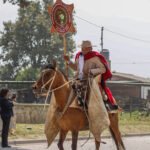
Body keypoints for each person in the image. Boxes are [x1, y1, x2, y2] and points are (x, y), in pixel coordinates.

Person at [64, 40, 119, 111]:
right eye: (82, 48)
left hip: (91, 79)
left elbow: (103, 69)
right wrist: (68, 61)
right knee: (69, 87)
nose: (83, 50)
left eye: (85, 48)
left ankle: (105, 104)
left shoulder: (95, 57)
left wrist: (92, 71)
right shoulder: (78, 56)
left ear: (90, 49)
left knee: (97, 90)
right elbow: (75, 68)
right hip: (78, 79)